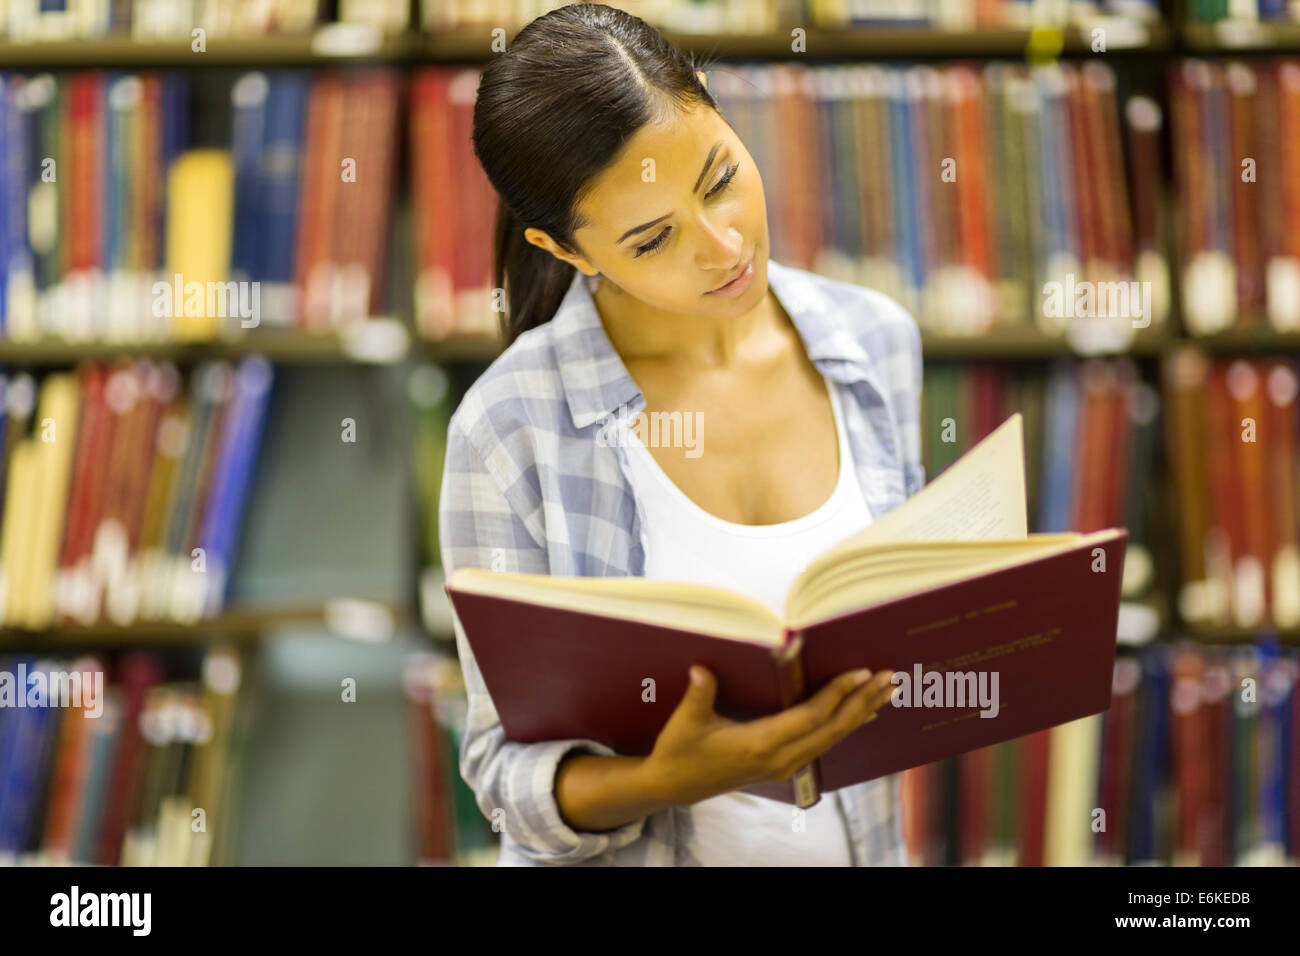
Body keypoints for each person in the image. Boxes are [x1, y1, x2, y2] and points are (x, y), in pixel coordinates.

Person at [438, 2, 925, 866]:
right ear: (569, 249)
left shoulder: (873, 341)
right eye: (654, 238)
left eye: (719, 178)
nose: (724, 245)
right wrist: (665, 778)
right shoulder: (508, 427)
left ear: (711, 100)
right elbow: (499, 773)